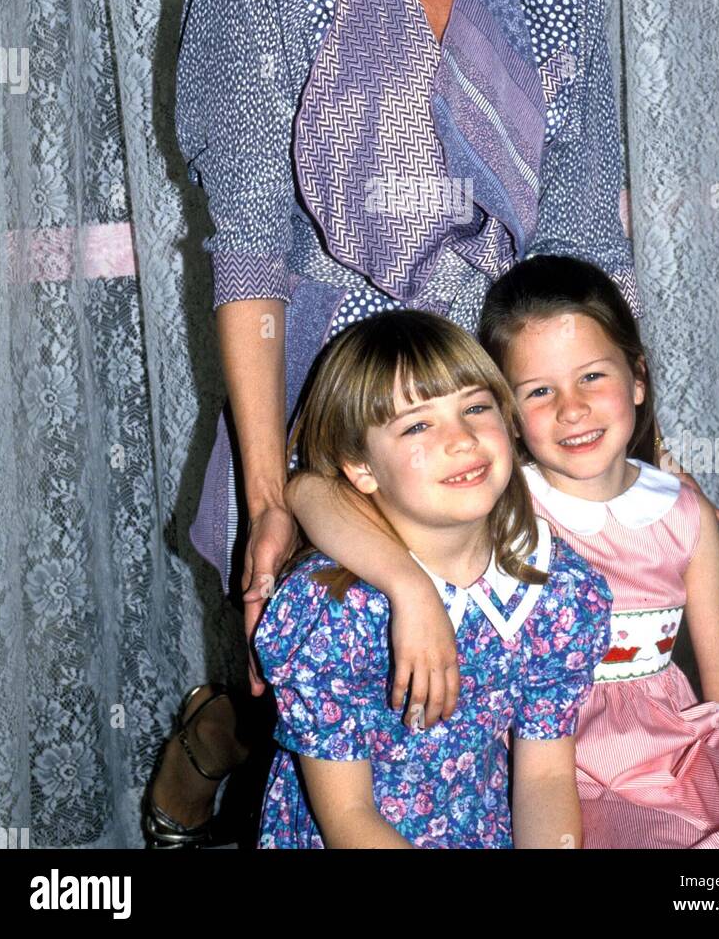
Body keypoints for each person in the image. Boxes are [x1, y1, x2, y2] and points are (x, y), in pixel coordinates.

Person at [153, 0, 719, 844]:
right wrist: (268, 498)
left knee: (493, 703)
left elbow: (581, 225)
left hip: (486, 394)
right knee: (317, 695)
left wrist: (637, 435)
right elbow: (245, 243)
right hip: (331, 391)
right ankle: (222, 728)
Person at [291, 254, 719, 847]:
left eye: (592, 376)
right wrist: (406, 584)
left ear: (638, 377)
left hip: (684, 751)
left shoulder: (685, 512)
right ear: (508, 416)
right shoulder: (503, 498)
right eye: (538, 391)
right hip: (578, 777)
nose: (572, 408)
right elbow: (310, 490)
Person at [254, 308, 611, 848]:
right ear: (361, 467)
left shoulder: (555, 590)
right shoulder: (333, 613)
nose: (463, 438)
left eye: (475, 407)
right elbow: (348, 817)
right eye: (419, 424)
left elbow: (545, 777)